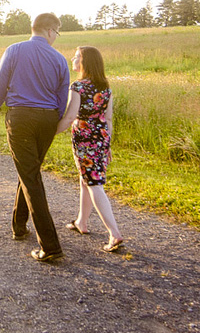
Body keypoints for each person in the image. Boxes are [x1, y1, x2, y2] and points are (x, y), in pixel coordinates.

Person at [0, 13, 70, 262]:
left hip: (20, 119)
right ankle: (19, 227)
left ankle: (50, 246)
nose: (56, 37)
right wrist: (54, 121)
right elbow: (61, 96)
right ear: (50, 30)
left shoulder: (14, 50)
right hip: (47, 120)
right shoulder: (59, 59)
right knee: (30, 173)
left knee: (30, 176)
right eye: (57, 32)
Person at [57, 45, 124, 253]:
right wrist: (107, 144)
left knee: (94, 183)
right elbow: (109, 118)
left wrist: (49, 134)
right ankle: (81, 222)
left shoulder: (78, 87)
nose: (73, 59)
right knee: (85, 179)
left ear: (84, 62)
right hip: (101, 136)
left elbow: (70, 117)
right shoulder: (105, 88)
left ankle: (114, 233)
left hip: (85, 139)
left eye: (76, 56)